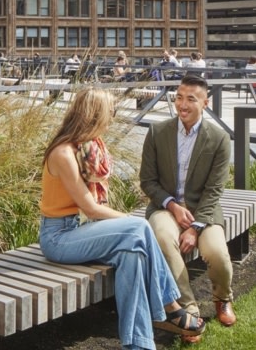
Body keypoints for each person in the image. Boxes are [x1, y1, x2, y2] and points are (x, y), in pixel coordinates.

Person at [39, 89, 205, 348]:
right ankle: (171, 305)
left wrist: (129, 226)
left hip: (75, 230)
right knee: (138, 228)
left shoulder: (85, 148)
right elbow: (91, 209)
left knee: (133, 255)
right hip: (58, 238)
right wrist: (129, 221)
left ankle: (138, 344)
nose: (112, 119)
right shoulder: (63, 153)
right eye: (110, 113)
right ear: (94, 115)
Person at [139, 73, 236, 335]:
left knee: (217, 254)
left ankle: (222, 299)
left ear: (205, 103)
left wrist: (194, 227)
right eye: (178, 97)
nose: (182, 104)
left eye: (190, 99)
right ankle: (188, 310)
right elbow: (147, 181)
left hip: (203, 212)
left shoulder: (219, 139)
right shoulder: (158, 132)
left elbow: (215, 189)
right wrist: (171, 205)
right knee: (161, 237)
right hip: (165, 208)